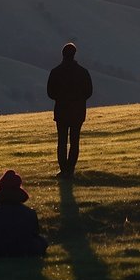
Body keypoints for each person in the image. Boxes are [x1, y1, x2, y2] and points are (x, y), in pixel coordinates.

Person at [46, 42, 93, 179]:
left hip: (61, 111)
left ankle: (63, 170)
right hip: (78, 112)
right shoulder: (83, 72)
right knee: (74, 141)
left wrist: (61, 98)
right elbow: (89, 92)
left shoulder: (55, 72)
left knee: (61, 142)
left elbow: (50, 93)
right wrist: (78, 99)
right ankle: (70, 170)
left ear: (62, 54)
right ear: (74, 54)